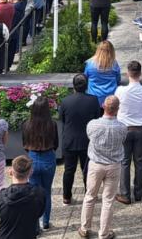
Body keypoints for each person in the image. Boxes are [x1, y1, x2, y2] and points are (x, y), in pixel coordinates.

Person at [81, 95, 127, 239]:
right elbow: (122, 141)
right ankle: (104, 232)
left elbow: (90, 137)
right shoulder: (122, 127)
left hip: (96, 164)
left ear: (103, 106)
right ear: (117, 109)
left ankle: (85, 228)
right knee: (108, 200)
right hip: (114, 165)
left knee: (90, 196)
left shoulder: (92, 124)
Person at [60, 73, 102, 206]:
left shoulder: (66, 101)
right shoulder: (94, 100)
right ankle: (88, 194)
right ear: (87, 85)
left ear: (73, 86)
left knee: (69, 170)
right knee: (88, 170)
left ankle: (66, 196)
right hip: (87, 140)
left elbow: (62, 119)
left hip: (70, 140)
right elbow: (97, 118)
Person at [115, 60, 142, 203]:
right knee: (140, 162)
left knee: (124, 161)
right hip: (141, 129)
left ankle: (125, 193)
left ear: (127, 73)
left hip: (125, 128)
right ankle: (138, 192)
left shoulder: (120, 90)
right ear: (140, 73)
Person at [22, 96, 59, 230]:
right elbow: (56, 144)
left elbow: (24, 144)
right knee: (46, 192)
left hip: (32, 157)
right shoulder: (52, 124)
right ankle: (46, 221)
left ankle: (35, 225)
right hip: (48, 157)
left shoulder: (26, 124)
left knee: (33, 194)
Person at [0, 156, 47, 239]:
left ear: (10, 172)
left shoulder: (0, 197)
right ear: (31, 172)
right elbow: (39, 213)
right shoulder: (39, 194)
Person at [85, 40, 122, 106]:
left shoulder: (90, 63)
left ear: (98, 50)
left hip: (94, 98)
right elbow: (118, 79)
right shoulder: (114, 64)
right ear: (111, 51)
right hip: (110, 99)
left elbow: (85, 78)